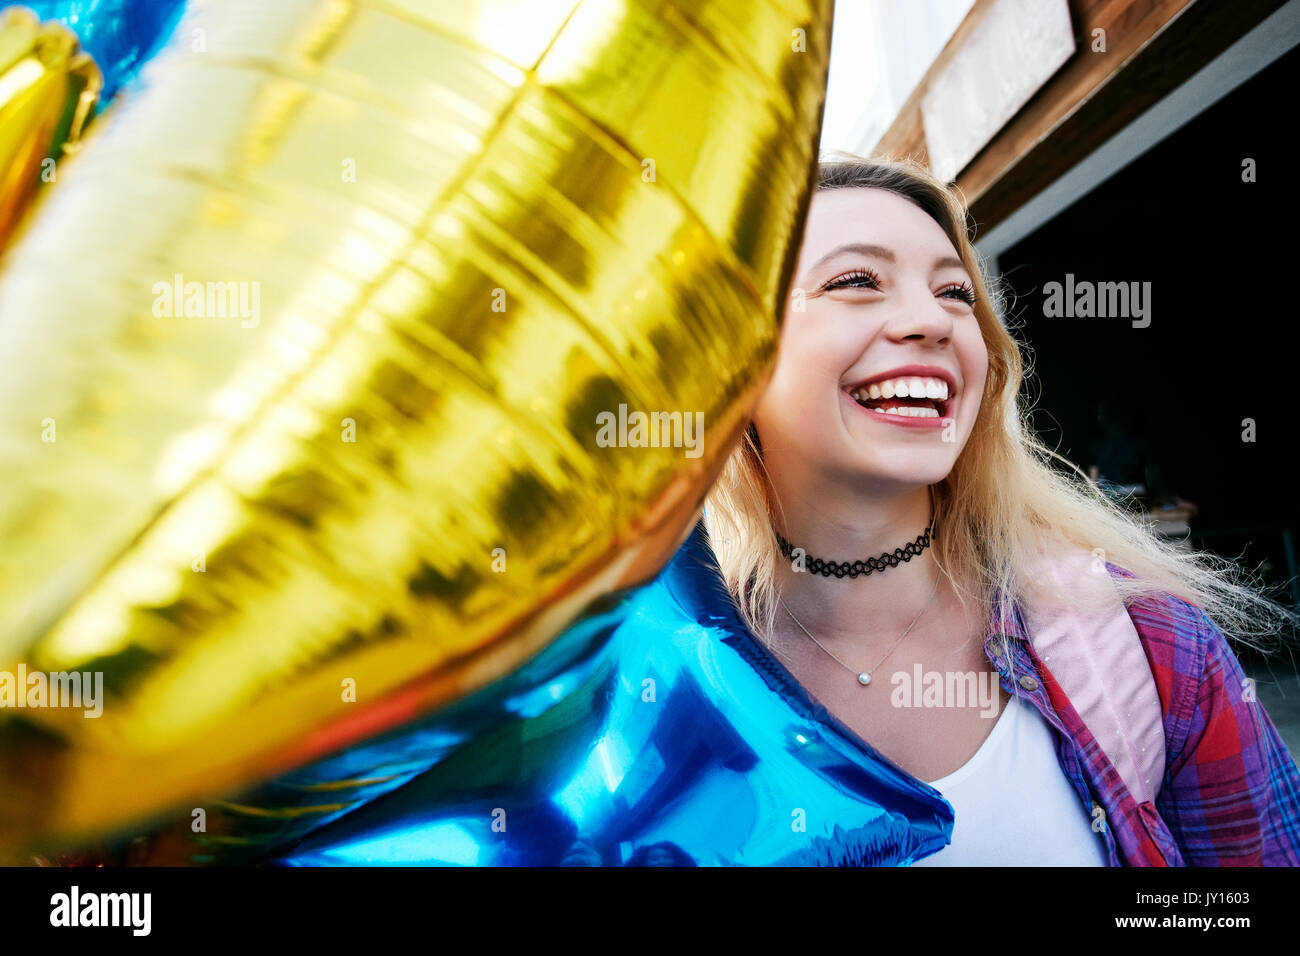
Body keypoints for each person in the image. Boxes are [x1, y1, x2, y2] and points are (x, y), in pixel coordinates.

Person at [699, 152, 1300, 865]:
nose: (934, 320)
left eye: (955, 293)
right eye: (857, 281)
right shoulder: (651, 691)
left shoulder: (1151, 641)